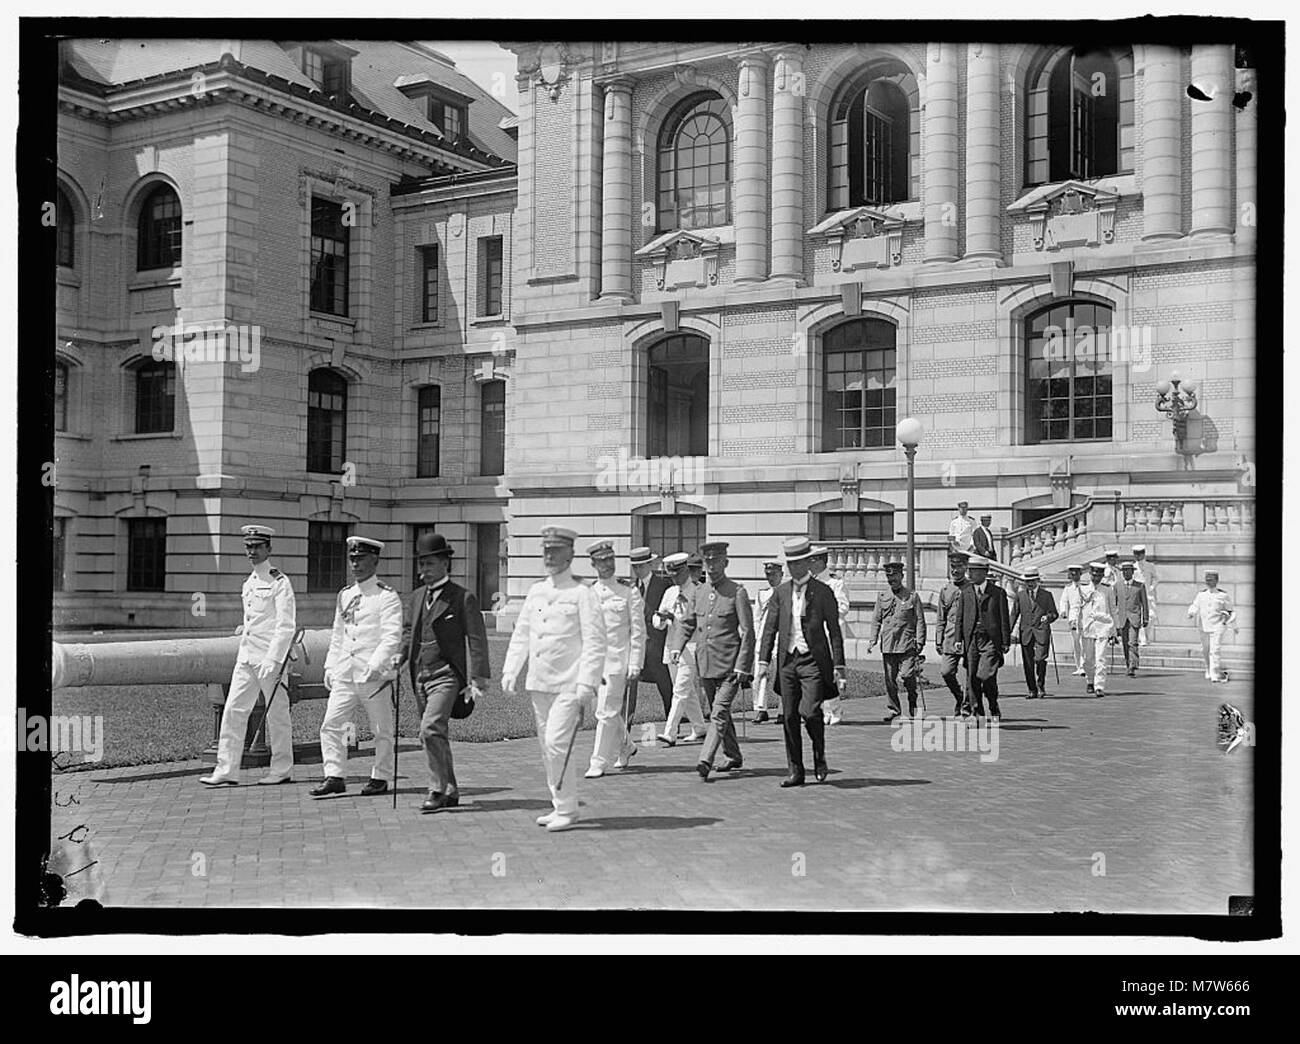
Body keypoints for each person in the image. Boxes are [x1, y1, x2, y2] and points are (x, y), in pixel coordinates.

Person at [501, 526, 606, 832]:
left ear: (570, 555)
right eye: (546, 551)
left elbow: (595, 641)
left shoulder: (582, 593)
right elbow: (522, 634)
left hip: (569, 684)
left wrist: (587, 683)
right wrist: (511, 669)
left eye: (556, 551)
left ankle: (567, 807)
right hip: (539, 682)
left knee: (557, 743)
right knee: (548, 747)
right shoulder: (536, 592)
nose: (549, 556)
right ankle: (562, 806)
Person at [400, 532, 490, 814]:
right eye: (421, 564)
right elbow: (407, 634)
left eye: (429, 564)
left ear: (444, 564)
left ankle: (435, 789)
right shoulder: (415, 598)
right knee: (435, 733)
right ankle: (450, 789)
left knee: (429, 729)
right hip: (420, 675)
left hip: (447, 675)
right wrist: (395, 660)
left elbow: (476, 638)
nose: (423, 570)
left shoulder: (462, 598)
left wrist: (478, 678)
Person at [201, 525, 297, 787]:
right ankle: (227, 769)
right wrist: (246, 629)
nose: (251, 552)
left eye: (257, 546)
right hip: (247, 657)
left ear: (268, 548)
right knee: (234, 710)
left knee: (277, 714)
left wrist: (274, 660)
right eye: (248, 547)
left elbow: (286, 626)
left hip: (269, 660)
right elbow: (257, 618)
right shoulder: (250, 582)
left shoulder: (279, 582)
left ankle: (282, 769)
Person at [312, 537, 404, 798]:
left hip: (373, 677)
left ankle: (381, 776)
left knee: (381, 729)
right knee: (332, 725)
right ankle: (335, 774)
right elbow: (338, 635)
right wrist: (330, 667)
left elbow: (391, 637)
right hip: (345, 673)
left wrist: (376, 665)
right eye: (352, 559)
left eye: (361, 558)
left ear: (375, 560)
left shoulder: (386, 596)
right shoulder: (346, 595)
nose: (356, 564)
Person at [756, 536, 845, 787]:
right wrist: (763, 662)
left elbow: (834, 631)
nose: (795, 568)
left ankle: (819, 754)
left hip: (812, 662)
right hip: (787, 662)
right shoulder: (780, 593)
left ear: (807, 562)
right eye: (791, 563)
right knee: (789, 717)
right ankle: (796, 770)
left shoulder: (823, 592)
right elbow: (769, 629)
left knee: (810, 712)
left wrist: (839, 666)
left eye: (799, 562)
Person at [669, 541, 754, 781]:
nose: (712, 566)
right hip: (706, 663)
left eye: (717, 562)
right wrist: (677, 647)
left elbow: (748, 632)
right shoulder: (699, 592)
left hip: (730, 666)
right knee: (721, 712)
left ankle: (705, 759)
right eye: (708, 562)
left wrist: (742, 666)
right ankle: (733, 755)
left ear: (725, 563)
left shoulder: (737, 591)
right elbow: (687, 624)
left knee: (717, 712)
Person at [584, 540, 645, 778]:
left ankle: (598, 761)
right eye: (602, 561)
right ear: (593, 564)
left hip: (617, 661)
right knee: (604, 711)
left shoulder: (628, 592)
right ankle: (626, 746)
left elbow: (638, 632)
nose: (607, 565)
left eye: (610, 560)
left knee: (606, 712)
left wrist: (635, 663)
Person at [654, 552, 708, 745]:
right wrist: (661, 618)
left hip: (691, 646)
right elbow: (657, 621)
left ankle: (670, 732)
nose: (674, 578)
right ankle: (700, 727)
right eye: (671, 575)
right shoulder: (670, 593)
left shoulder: (698, 591)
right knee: (687, 690)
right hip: (671, 646)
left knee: (679, 690)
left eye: (677, 574)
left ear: (686, 570)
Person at [867, 560, 927, 720]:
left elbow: (920, 620)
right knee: (890, 680)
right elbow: (876, 619)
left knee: (907, 675)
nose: (892, 580)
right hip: (888, 644)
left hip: (907, 643)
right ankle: (894, 709)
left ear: (901, 575)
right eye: (889, 578)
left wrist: (920, 641)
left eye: (894, 577)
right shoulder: (882, 597)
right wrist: (872, 639)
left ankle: (912, 702)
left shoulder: (912, 597)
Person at [961, 555, 1010, 719]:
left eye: (973, 571)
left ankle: (993, 704)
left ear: (983, 573)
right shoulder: (966, 592)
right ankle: (977, 711)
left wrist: (1005, 641)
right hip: (972, 640)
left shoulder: (997, 593)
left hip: (990, 640)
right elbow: (961, 619)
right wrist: (957, 641)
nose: (969, 574)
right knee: (972, 676)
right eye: (969, 571)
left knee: (985, 675)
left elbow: (1004, 618)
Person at [629, 547, 672, 717]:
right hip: (636, 648)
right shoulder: (631, 588)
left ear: (649, 565)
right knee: (630, 690)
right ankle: (627, 729)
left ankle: (671, 725)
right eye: (635, 567)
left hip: (657, 646)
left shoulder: (663, 586)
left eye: (641, 566)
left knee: (666, 687)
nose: (638, 570)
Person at [809, 546, 850, 724]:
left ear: (819, 561)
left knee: (831, 673)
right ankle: (823, 710)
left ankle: (834, 710)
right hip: (814, 634)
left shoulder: (836, 583)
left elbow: (843, 607)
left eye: (811, 561)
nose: (808, 565)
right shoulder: (809, 583)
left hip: (829, 633)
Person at [1009, 566, 1059, 699]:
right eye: (1027, 581)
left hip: (1041, 631)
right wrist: (1007, 632)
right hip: (1026, 632)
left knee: (1040, 659)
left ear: (1037, 580)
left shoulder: (1047, 595)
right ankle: (1032, 689)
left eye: (1032, 580)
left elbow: (1054, 613)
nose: (1029, 583)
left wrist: (1048, 617)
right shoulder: (1020, 595)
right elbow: (1014, 614)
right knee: (1028, 662)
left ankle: (1041, 685)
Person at [935, 551, 972, 717]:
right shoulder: (945, 590)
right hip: (950, 637)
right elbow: (941, 618)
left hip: (969, 637)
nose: (955, 571)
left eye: (958, 567)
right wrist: (938, 639)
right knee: (946, 671)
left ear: (965, 567)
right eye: (953, 567)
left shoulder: (972, 588)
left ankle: (967, 706)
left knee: (972, 674)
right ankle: (959, 696)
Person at [1078, 561, 1120, 696]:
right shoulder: (1083, 589)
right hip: (1088, 628)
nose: (1097, 578)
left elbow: (1113, 609)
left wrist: (1116, 628)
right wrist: (1073, 622)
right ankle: (1090, 680)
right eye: (1094, 575)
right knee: (1088, 659)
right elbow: (1076, 608)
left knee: (1101, 658)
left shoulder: (1107, 590)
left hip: (1103, 628)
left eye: (1099, 575)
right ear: (1090, 574)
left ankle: (1099, 686)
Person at [1187, 569, 1236, 683]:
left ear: (1217, 581)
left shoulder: (1223, 595)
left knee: (1215, 650)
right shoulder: (1201, 595)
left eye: (1211, 580)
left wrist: (1228, 621)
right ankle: (1208, 668)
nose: (1209, 582)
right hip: (1204, 626)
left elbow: (1230, 610)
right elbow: (1195, 605)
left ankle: (1215, 674)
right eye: (1207, 580)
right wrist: (1191, 612)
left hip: (1218, 625)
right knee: (1205, 649)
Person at [752, 561, 784, 723]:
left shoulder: (787, 593)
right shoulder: (762, 594)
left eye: (773, 574)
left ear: (781, 575)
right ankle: (760, 708)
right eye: (768, 575)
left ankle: (783, 710)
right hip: (764, 640)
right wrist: (759, 638)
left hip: (781, 640)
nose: (770, 578)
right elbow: (757, 618)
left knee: (782, 676)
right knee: (759, 675)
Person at [1116, 562, 1149, 678]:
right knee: (1125, 643)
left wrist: (1145, 618)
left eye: (1128, 571)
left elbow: (1144, 603)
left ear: (1132, 572)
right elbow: (1114, 603)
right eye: (1124, 571)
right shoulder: (1117, 586)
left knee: (1133, 642)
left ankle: (1132, 665)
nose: (1125, 573)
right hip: (1122, 618)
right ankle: (1127, 663)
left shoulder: (1139, 586)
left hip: (1134, 618)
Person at [1057, 564, 1088, 676]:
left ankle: (1084, 665)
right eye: (1073, 574)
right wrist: (1063, 611)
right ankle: (1078, 666)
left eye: (1077, 574)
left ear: (1080, 574)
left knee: (1083, 642)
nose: (1075, 576)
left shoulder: (1085, 587)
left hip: (1084, 617)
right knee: (1076, 642)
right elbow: (1063, 601)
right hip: (1073, 618)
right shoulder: (1068, 588)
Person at [1131, 544, 1159, 646]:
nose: (1137, 556)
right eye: (1136, 554)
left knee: (1152, 616)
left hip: (1148, 595)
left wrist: (1152, 587)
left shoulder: (1150, 566)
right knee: (1141, 616)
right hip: (1137, 596)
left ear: (1143, 554)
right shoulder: (1132, 567)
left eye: (1139, 553)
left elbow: (1156, 578)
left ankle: (1146, 636)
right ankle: (1143, 639)